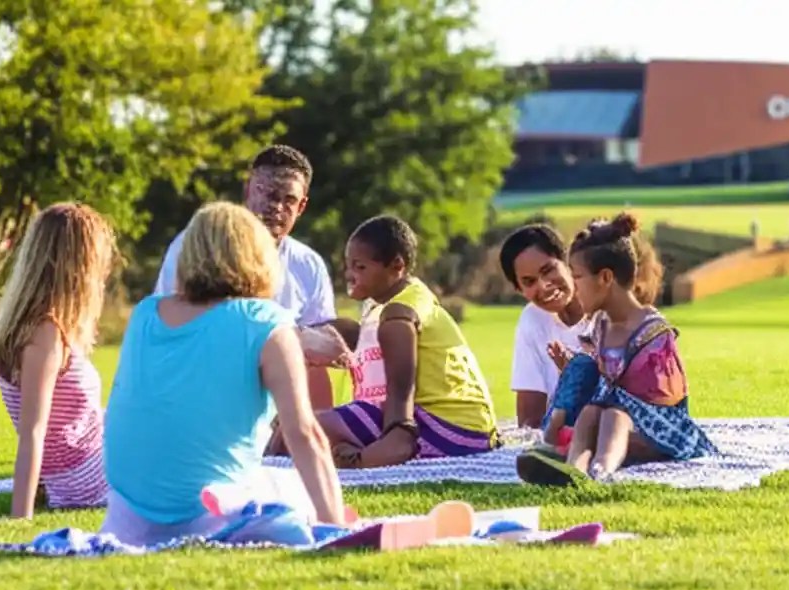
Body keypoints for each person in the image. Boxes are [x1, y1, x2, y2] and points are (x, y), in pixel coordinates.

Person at [102, 201, 347, 545]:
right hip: (206, 511)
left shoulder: (145, 314)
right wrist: (337, 530)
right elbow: (305, 433)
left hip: (129, 516)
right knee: (290, 486)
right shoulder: (267, 321)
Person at [516, 213, 716, 487]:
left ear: (605, 278)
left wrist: (619, 400)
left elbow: (668, 397)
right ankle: (574, 469)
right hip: (615, 423)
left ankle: (600, 471)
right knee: (590, 413)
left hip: (662, 430)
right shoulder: (600, 327)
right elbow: (599, 379)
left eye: (578, 278)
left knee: (613, 416)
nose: (573, 288)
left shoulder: (652, 332)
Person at [153, 144, 347, 408]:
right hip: (200, 399)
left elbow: (317, 356)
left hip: (280, 414)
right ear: (248, 190)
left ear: (302, 206)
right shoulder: (198, 245)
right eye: (267, 194)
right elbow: (168, 329)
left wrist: (318, 425)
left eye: (288, 200)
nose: (276, 207)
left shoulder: (308, 265)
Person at [0, 203, 116, 518]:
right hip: (89, 481)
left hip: (83, 468)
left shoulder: (26, 326)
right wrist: (22, 517)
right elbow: (34, 432)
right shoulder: (44, 333)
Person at [312, 215, 499, 468]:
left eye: (360, 267)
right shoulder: (384, 305)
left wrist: (398, 431)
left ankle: (362, 457)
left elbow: (401, 388)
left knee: (310, 427)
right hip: (460, 428)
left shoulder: (400, 312)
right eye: (348, 266)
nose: (349, 275)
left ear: (397, 266)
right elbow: (359, 335)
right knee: (302, 426)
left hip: (452, 430)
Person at [500, 223, 592, 429]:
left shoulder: (603, 308)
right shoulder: (532, 320)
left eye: (548, 270)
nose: (544, 286)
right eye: (529, 282)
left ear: (567, 262)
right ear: (519, 289)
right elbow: (529, 421)